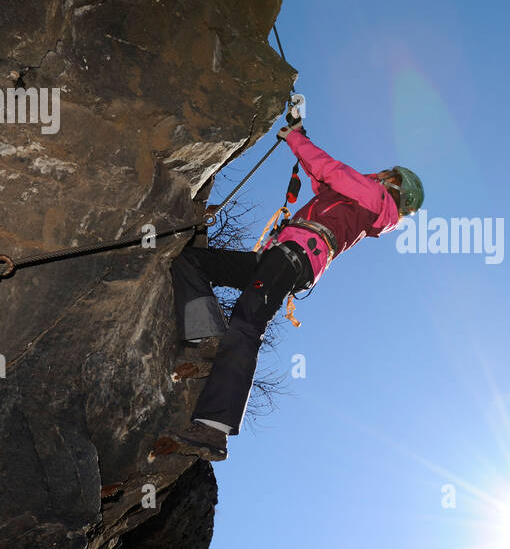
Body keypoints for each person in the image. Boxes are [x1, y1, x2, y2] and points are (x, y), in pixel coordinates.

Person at [167, 114, 424, 459]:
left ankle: (214, 427)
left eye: (390, 176)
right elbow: (322, 178)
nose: (382, 174)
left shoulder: (377, 199)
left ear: (395, 189)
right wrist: (299, 136)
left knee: (247, 322)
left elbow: (331, 170)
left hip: (295, 256)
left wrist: (294, 139)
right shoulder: (356, 199)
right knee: (192, 262)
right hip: (278, 257)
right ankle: (205, 337)